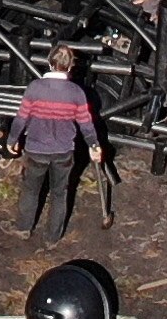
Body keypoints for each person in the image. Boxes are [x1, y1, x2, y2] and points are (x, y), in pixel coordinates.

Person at [6, 46, 103, 241]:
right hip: (64, 152)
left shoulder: (35, 88)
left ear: (50, 62)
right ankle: (52, 237)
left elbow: (21, 118)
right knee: (60, 193)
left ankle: (23, 228)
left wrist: (12, 139)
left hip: (36, 149)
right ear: (70, 66)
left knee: (30, 190)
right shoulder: (76, 92)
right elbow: (86, 124)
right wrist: (94, 145)